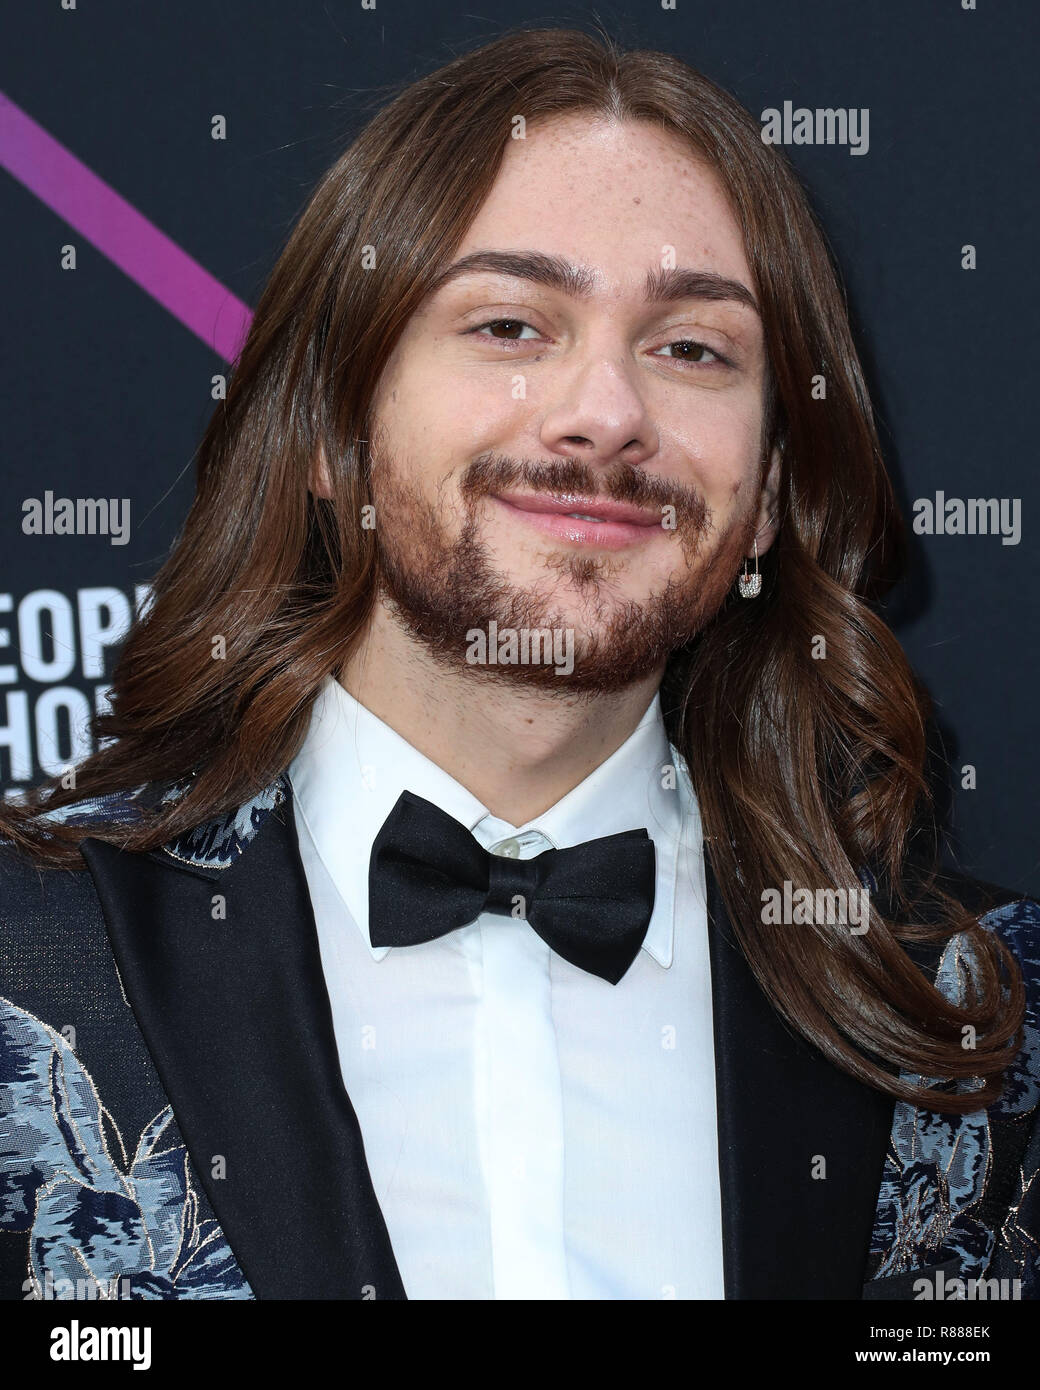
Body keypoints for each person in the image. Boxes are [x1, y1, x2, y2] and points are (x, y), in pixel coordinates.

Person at [1, 27, 1036, 1303]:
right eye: (508, 323)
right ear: (332, 432)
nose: (603, 412)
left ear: (768, 489)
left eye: (692, 348)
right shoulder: (25, 964)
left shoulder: (976, 1000)